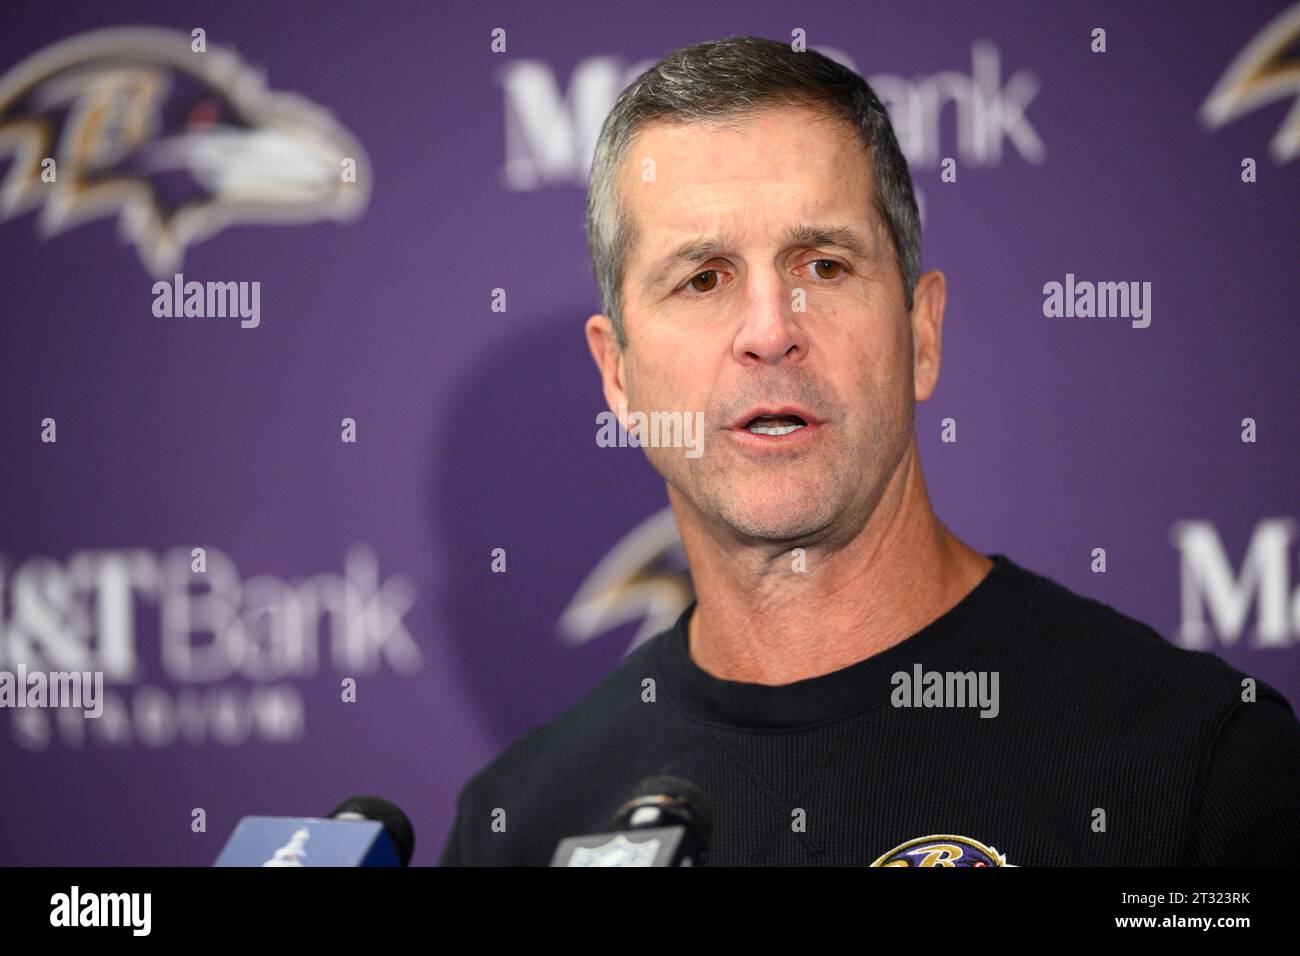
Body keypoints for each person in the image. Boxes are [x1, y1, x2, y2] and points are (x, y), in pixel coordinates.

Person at [439, 35, 1300, 866]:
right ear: (618, 375)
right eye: (703, 278)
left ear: (921, 334)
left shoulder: (1202, 768)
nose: (771, 331)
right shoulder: (521, 828)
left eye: (823, 266)